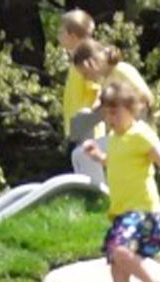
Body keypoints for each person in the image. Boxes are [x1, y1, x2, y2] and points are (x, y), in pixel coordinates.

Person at [79, 79, 160, 282]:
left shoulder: (140, 134)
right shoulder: (116, 138)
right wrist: (98, 157)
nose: (110, 118)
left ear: (131, 109)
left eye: (115, 112)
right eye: (106, 113)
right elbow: (115, 162)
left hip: (141, 210)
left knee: (119, 250)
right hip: (120, 212)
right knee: (118, 272)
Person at [58, 9, 103, 184]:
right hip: (75, 130)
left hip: (87, 132)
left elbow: (97, 90)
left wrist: (90, 116)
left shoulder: (85, 62)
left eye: (62, 31)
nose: (59, 35)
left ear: (73, 35)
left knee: (90, 178)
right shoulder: (75, 62)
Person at [71, 40, 153, 119]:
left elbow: (146, 97)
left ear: (92, 63)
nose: (86, 78)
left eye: (85, 73)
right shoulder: (104, 81)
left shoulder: (121, 70)